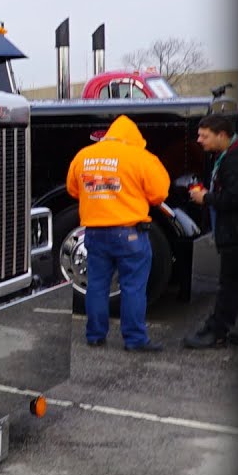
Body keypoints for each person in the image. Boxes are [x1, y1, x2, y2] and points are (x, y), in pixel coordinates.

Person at [66, 115, 170, 352]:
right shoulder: (141, 157)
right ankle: (134, 340)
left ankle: (94, 335)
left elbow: (73, 189)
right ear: (133, 138)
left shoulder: (84, 156)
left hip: (94, 233)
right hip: (130, 234)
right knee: (133, 287)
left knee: (97, 285)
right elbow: (159, 193)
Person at [183, 113, 238, 349]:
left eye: (204, 135)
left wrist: (206, 198)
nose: (199, 140)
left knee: (230, 286)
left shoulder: (236, 159)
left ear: (222, 135)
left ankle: (215, 332)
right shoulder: (232, 153)